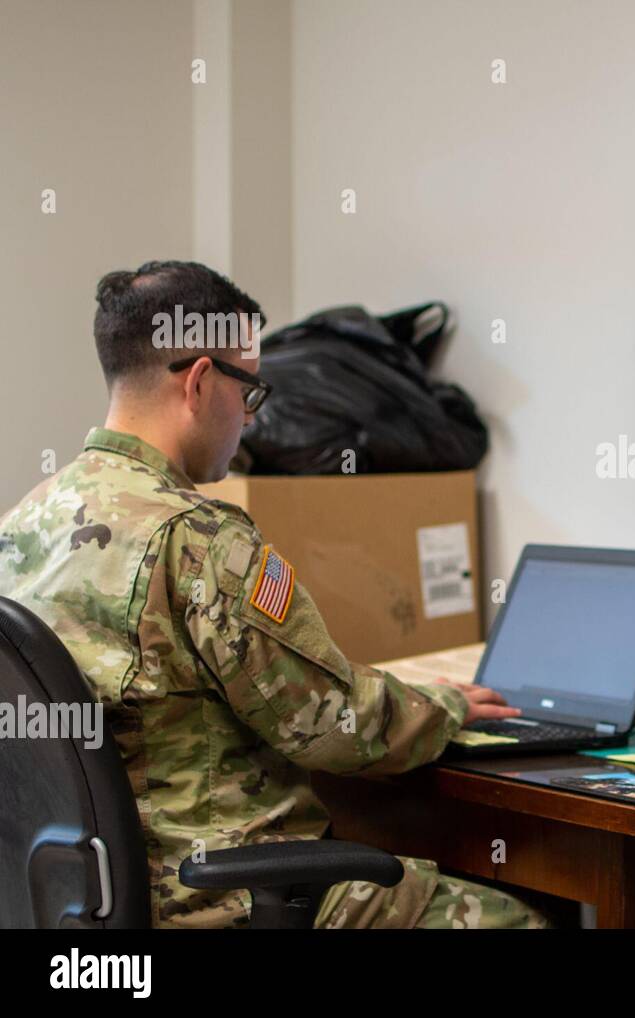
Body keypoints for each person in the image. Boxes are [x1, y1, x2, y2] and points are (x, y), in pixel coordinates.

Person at [0, 261, 546, 928]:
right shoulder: (197, 540)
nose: (252, 421)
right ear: (201, 381)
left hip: (85, 904)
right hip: (221, 901)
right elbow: (336, 728)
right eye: (251, 394)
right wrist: (447, 705)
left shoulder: (21, 525)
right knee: (519, 920)